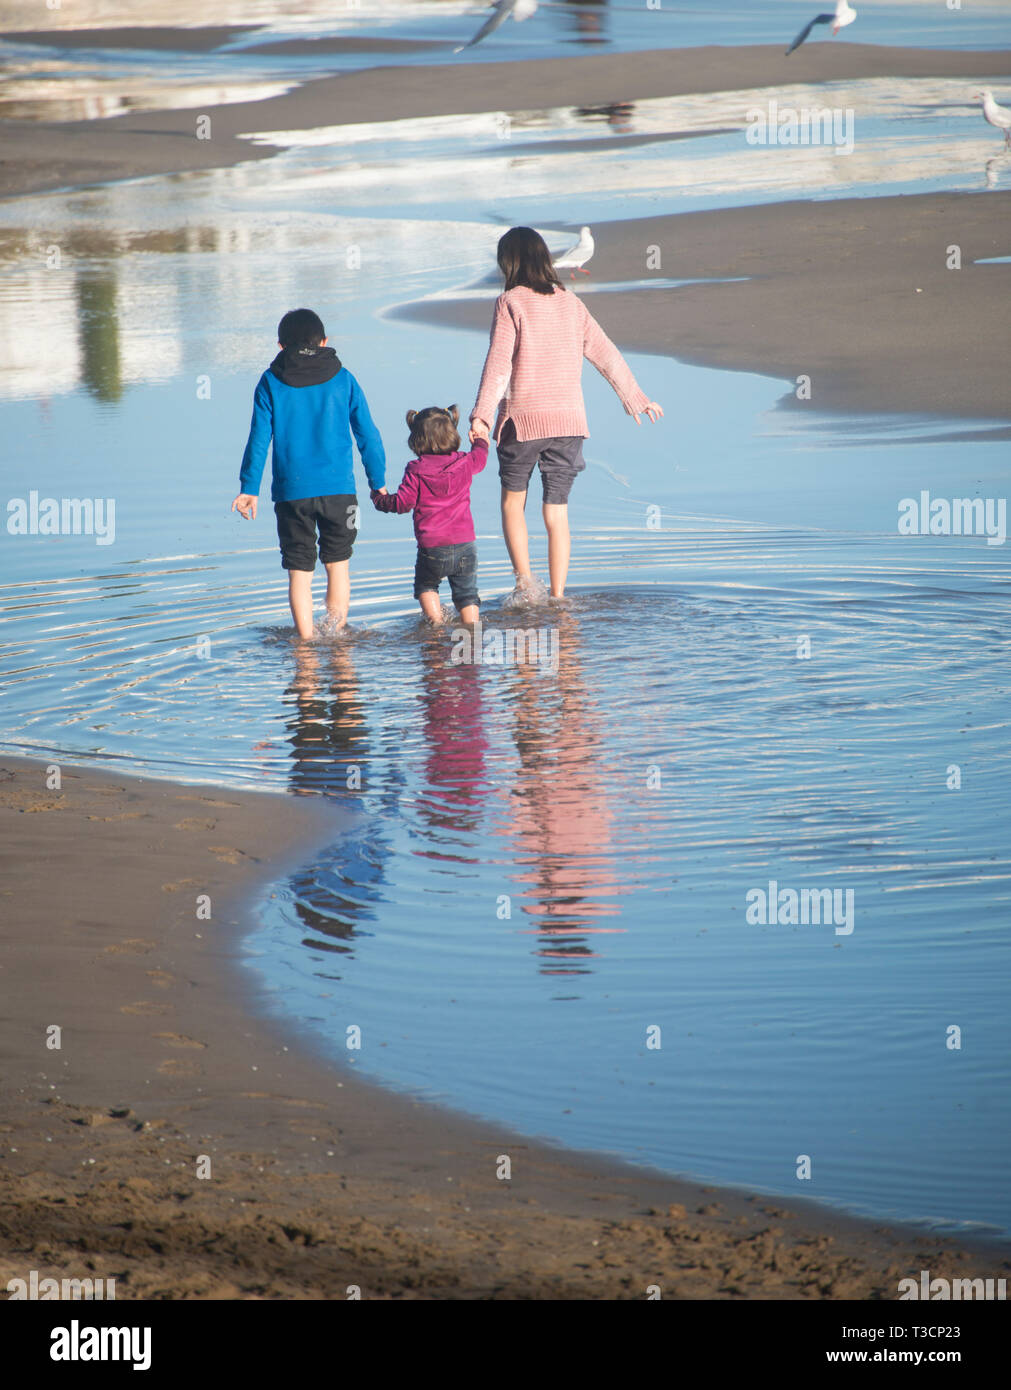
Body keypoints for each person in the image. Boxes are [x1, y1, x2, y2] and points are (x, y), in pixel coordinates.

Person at [469, 226, 662, 600]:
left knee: (513, 503)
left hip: (523, 422)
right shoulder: (571, 302)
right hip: (569, 424)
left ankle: (526, 586)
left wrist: (482, 415)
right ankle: (557, 596)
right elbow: (605, 352)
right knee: (557, 514)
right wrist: (634, 397)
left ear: (509, 262)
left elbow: (498, 365)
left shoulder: (511, 301)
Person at [232, 307, 386, 639]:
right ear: (324, 341)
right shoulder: (344, 378)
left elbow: (259, 438)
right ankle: (338, 638)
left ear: (280, 346)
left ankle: (305, 649)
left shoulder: (270, 381)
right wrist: (378, 482)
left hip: (291, 496)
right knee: (339, 566)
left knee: (299, 574)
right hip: (340, 494)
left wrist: (249, 488)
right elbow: (368, 434)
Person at [371, 405, 488, 625]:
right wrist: (480, 440)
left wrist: (380, 499)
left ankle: (436, 627)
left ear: (416, 440)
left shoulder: (416, 470)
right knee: (467, 593)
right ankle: (472, 630)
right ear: (453, 433)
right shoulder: (465, 462)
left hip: (432, 546)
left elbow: (403, 503)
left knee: (426, 586)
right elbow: (481, 458)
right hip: (465, 543)